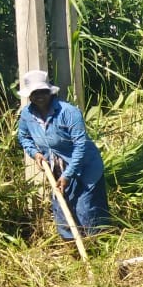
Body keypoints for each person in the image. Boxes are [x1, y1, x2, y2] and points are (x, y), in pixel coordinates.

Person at [17, 70, 110, 240]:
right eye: (35, 93)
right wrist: (35, 153)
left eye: (43, 92)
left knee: (86, 209)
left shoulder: (68, 112)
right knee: (62, 209)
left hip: (85, 167)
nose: (39, 96)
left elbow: (80, 145)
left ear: (50, 92)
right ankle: (72, 249)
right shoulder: (27, 115)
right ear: (30, 95)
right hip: (57, 169)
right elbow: (23, 137)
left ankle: (97, 247)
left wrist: (68, 174)